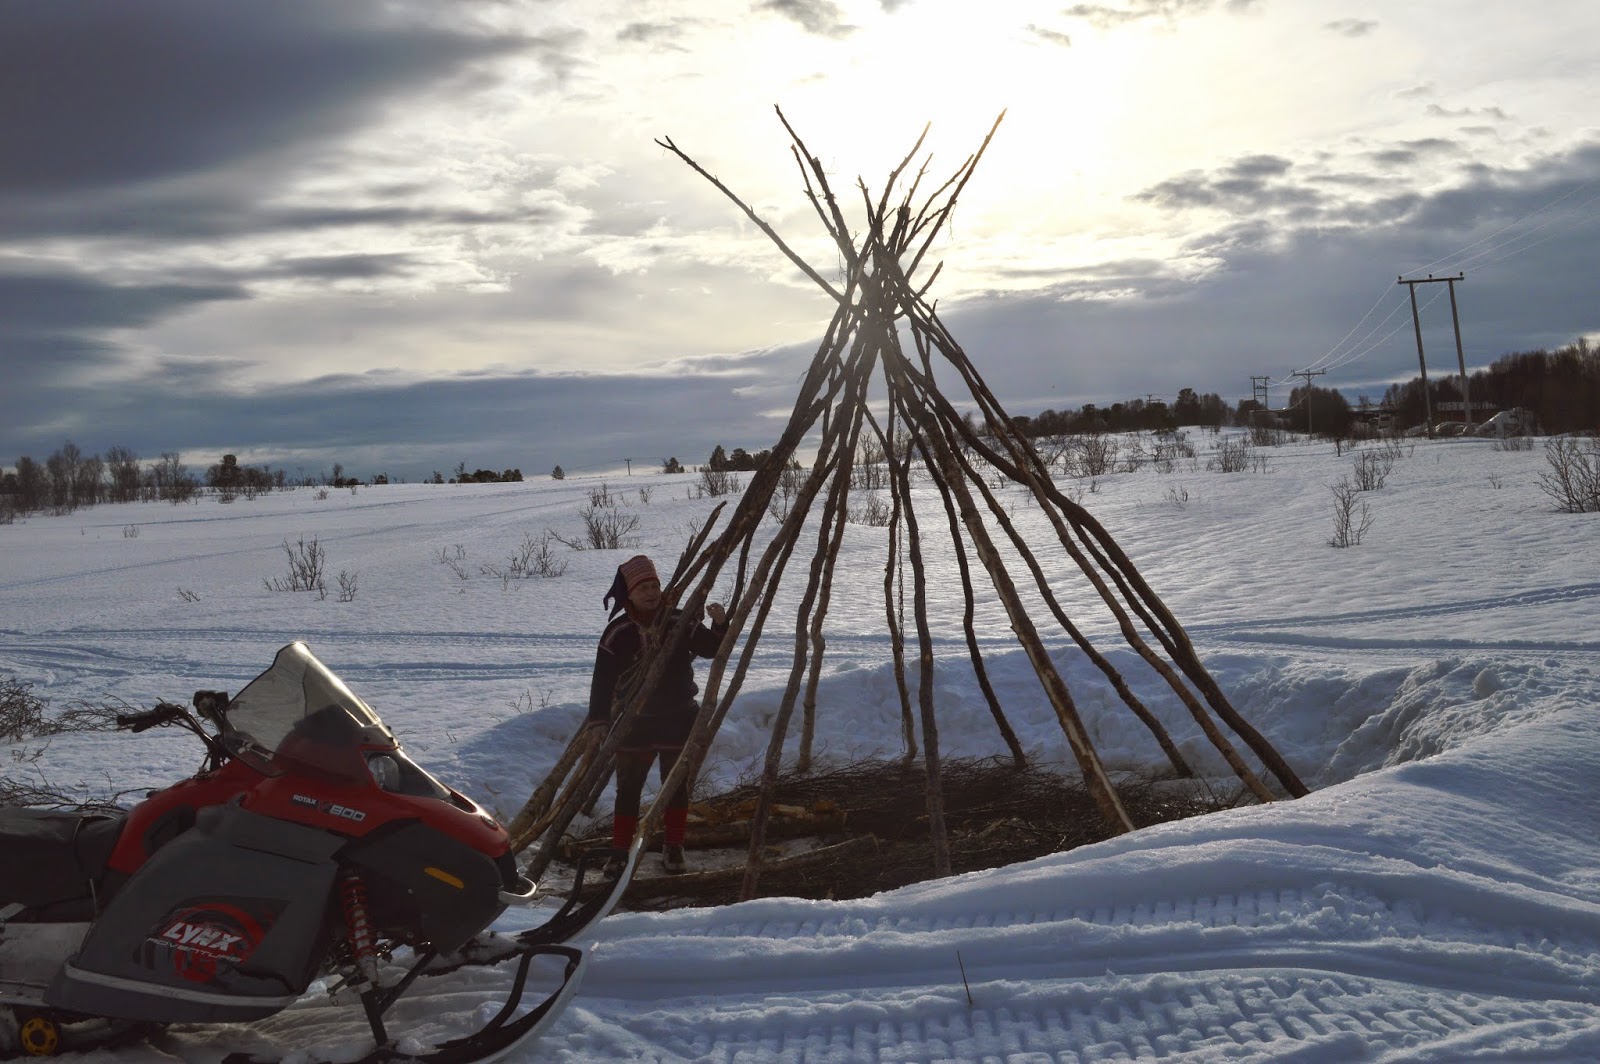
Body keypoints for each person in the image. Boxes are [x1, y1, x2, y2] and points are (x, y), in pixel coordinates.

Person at [584, 554, 727, 874]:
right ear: (629, 594)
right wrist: (599, 721)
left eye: (655, 586)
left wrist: (719, 624)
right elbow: (602, 680)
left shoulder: (679, 620)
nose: (650, 592)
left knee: (675, 784)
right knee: (629, 787)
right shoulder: (617, 632)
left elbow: (711, 648)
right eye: (643, 587)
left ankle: (673, 847)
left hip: (679, 717)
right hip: (637, 723)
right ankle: (620, 851)